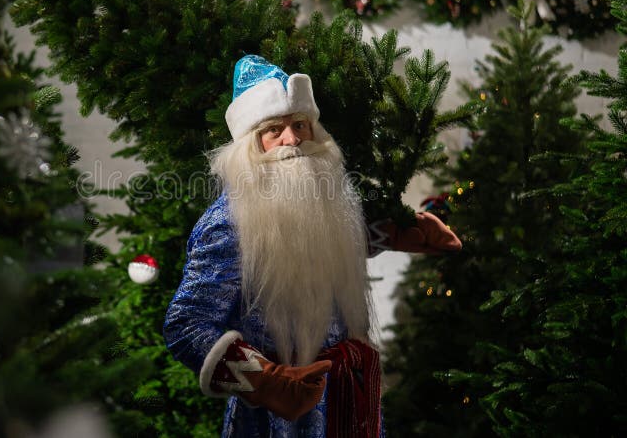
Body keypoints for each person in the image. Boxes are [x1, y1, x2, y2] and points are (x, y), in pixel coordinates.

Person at [164, 55, 461, 437]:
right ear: (251, 145)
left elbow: (320, 245)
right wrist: (266, 381)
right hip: (280, 415)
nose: (292, 140)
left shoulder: (327, 196)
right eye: (274, 129)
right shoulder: (229, 223)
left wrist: (400, 232)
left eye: (300, 125)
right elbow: (186, 324)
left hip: (346, 395)